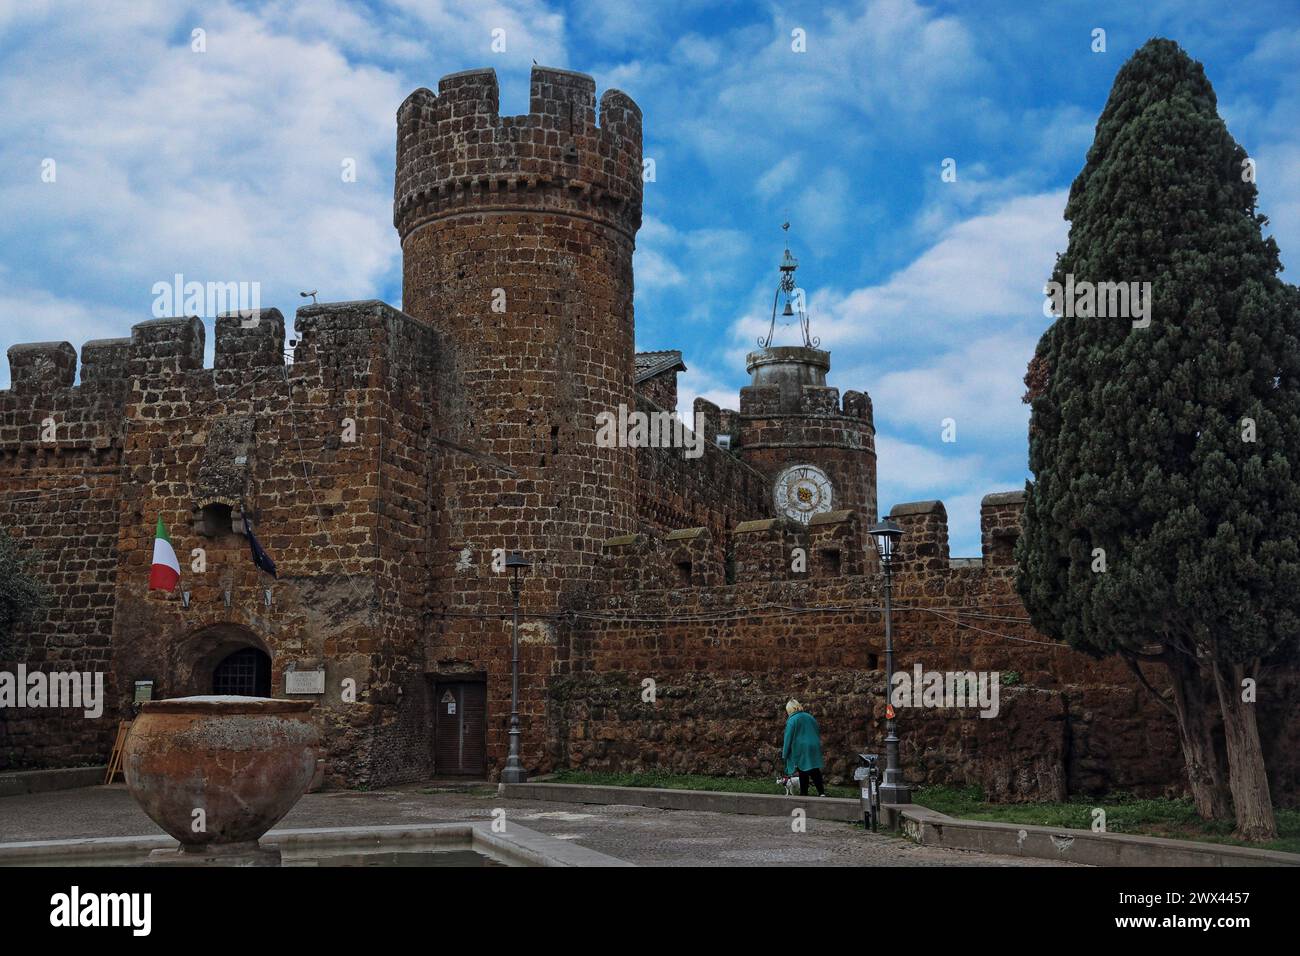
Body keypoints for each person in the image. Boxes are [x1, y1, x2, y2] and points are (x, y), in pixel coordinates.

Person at [782, 699, 827, 796]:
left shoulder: (792, 720)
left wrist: (784, 754)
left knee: (802, 769)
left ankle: (804, 793)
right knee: (814, 768)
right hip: (814, 745)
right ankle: (821, 792)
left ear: (789, 709)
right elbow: (817, 730)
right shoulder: (810, 717)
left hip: (801, 747)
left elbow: (788, 738)